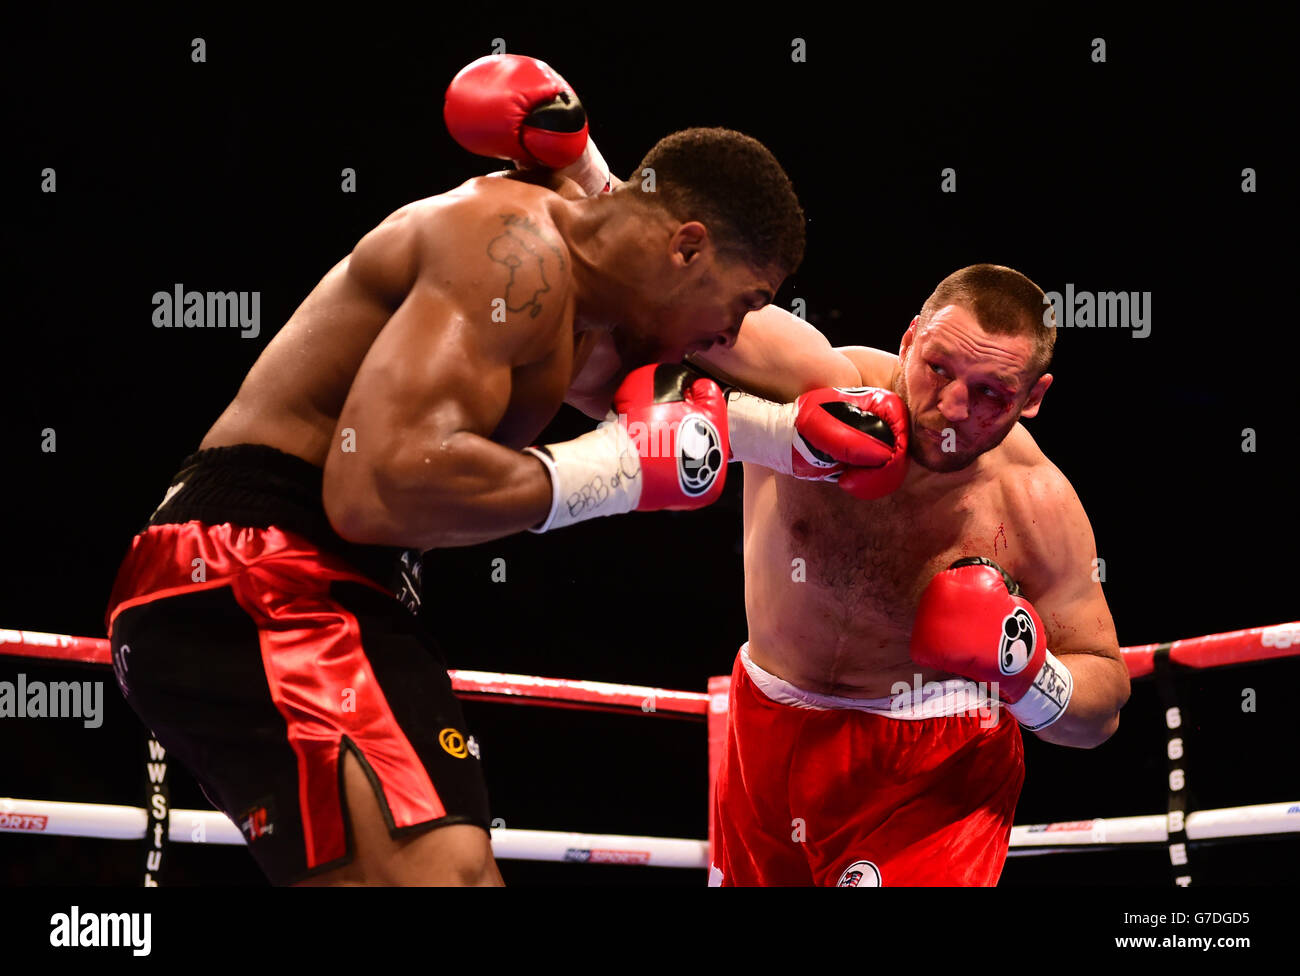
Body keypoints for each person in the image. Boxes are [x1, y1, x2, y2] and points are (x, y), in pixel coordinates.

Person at [104, 55, 811, 885]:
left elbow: (692, 396)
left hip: (294, 585)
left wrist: (800, 438)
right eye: (744, 300)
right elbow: (376, 489)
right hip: (260, 571)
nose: (729, 334)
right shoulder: (514, 251)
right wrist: (612, 472)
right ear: (688, 246)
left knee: (446, 871)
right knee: (449, 874)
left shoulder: (579, 308)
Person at [692, 264, 1131, 885]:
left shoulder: (1033, 504)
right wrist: (765, 430)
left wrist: (1029, 672)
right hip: (764, 727)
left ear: (1032, 398)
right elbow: (663, 328)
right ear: (909, 337)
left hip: (929, 766)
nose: (952, 408)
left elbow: (1103, 707)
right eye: (938, 369)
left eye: (990, 394)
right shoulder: (810, 381)